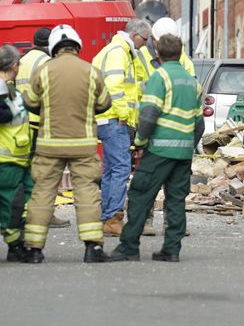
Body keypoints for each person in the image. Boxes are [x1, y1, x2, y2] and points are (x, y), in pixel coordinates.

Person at [19, 25, 113, 264]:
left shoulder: (43, 71)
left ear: (53, 48)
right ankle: (93, 248)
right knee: (87, 193)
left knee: (42, 193)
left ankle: (33, 250)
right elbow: (105, 103)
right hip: (83, 145)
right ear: (77, 45)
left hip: (50, 145)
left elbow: (29, 102)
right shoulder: (90, 71)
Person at [107, 33, 201, 263]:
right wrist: (188, 145)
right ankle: (171, 250)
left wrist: (140, 141)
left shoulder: (160, 77)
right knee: (176, 200)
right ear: (180, 53)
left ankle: (129, 247)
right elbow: (199, 123)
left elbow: (148, 115)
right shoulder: (192, 82)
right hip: (183, 153)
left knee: (140, 195)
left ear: (157, 53)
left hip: (159, 151)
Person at [91, 18, 152, 237]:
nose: (145, 44)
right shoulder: (119, 53)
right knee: (120, 168)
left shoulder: (116, 51)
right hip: (115, 119)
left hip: (107, 119)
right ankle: (113, 218)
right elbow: (115, 88)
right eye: (144, 39)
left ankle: (107, 216)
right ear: (135, 35)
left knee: (111, 169)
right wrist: (126, 116)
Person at [0, 44, 33, 261]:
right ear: (14, 65)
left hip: (18, 157)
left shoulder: (4, 86)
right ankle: (14, 246)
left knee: (25, 202)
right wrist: (15, 108)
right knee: (13, 204)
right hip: (4, 159)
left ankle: (23, 242)